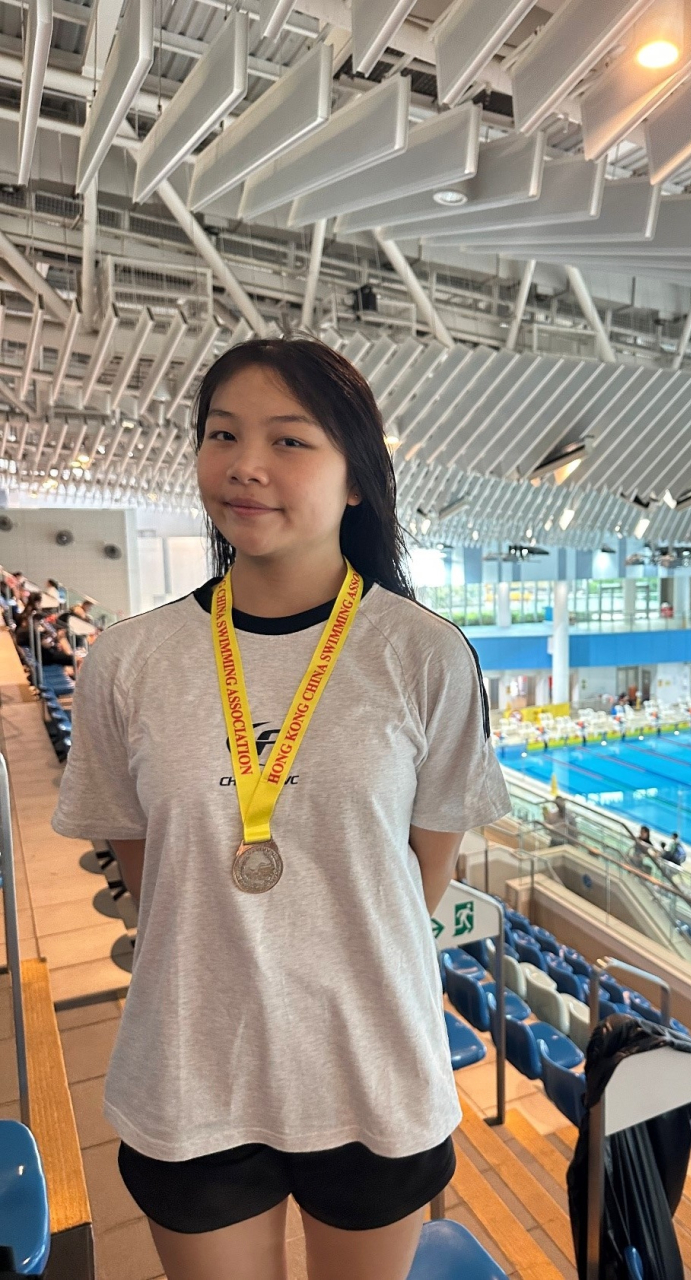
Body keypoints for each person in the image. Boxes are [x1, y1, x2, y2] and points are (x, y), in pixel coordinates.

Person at [51, 337, 513, 1280]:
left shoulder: (424, 657)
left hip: (371, 1066)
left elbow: (422, 877)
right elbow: (149, 871)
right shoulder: (129, 663)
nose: (246, 465)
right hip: (192, 1063)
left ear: (355, 480)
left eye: (290, 441)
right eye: (223, 435)